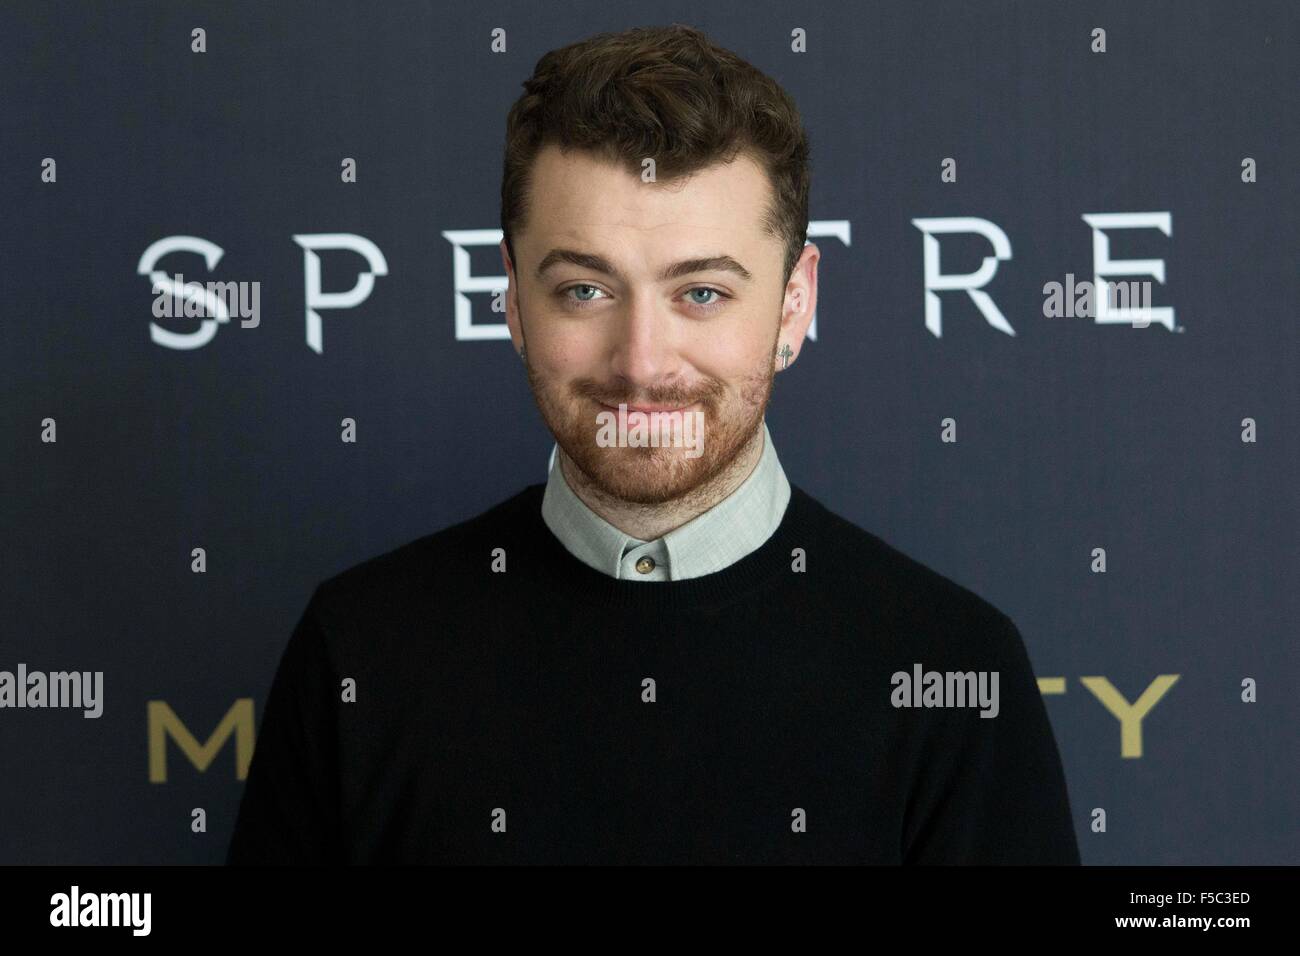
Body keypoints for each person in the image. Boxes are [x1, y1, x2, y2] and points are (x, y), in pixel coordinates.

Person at [227, 23, 1079, 865]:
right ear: (515, 303)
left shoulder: (955, 674)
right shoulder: (362, 651)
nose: (641, 363)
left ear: (794, 305)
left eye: (702, 293)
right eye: (586, 290)